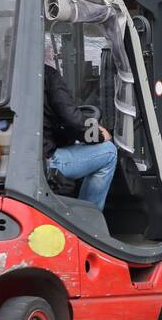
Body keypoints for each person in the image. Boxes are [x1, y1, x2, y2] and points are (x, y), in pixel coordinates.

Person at [43, 63, 117, 211]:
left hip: (5, 163)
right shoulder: (46, 75)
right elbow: (72, 119)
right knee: (109, 152)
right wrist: (100, 134)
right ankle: (88, 220)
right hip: (45, 162)